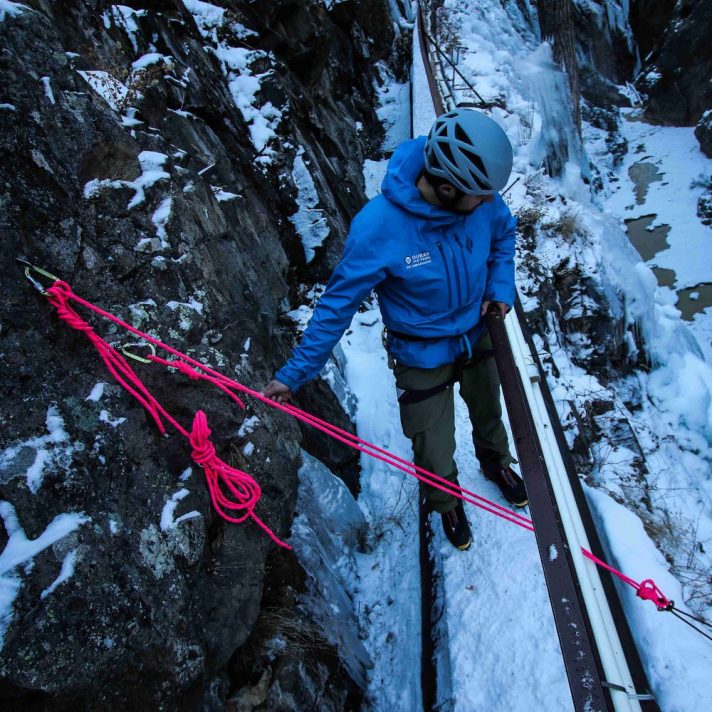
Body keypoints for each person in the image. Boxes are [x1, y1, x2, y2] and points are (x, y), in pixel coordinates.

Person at [263, 109, 527, 551]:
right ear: (446, 187)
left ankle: (495, 462)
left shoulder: (479, 196)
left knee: (488, 411)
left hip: (477, 332)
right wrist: (293, 375)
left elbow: (504, 233)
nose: (488, 203)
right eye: (480, 196)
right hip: (421, 353)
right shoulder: (379, 228)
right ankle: (446, 502)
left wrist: (500, 289)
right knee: (432, 444)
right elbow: (336, 307)